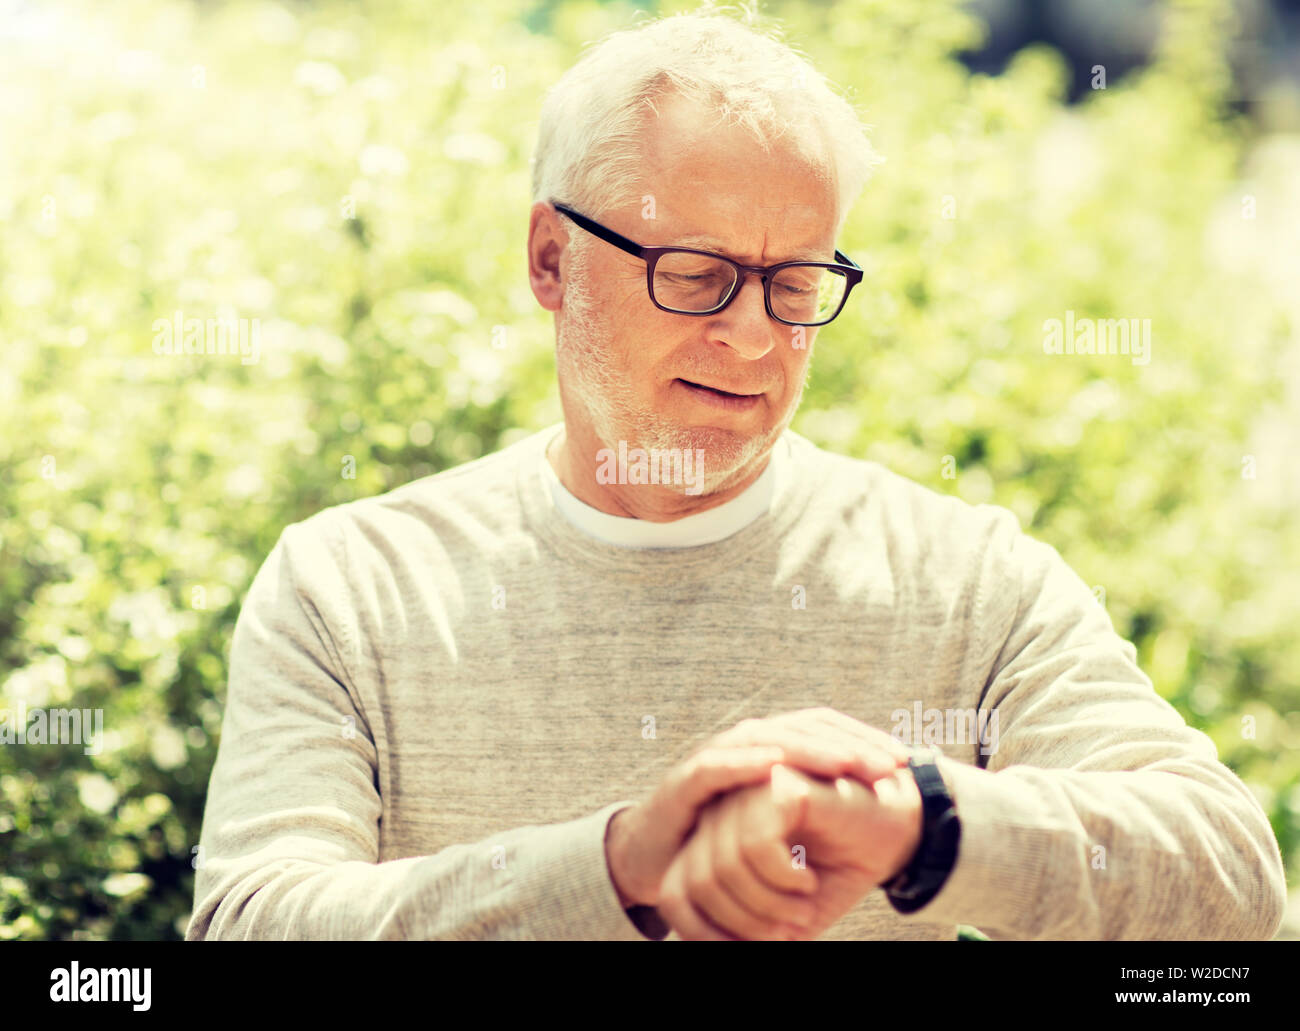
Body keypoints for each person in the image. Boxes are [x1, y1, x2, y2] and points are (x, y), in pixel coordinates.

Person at [185, 9, 1286, 941]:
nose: (755, 338)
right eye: (698, 274)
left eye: (797, 283)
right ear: (550, 261)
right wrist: (617, 868)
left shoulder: (968, 581)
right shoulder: (353, 584)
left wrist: (925, 822)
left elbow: (1234, 887)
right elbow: (253, 917)